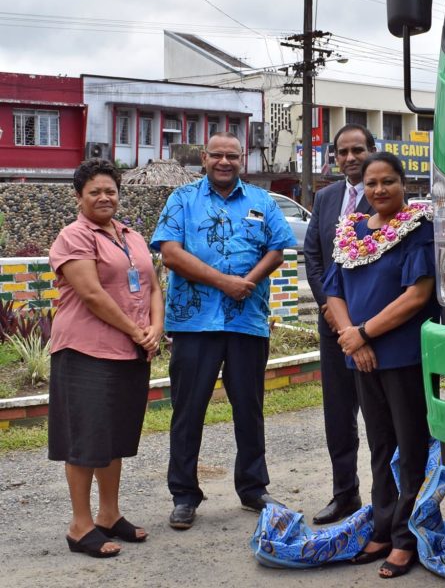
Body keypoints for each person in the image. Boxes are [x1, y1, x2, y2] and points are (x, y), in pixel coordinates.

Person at [150, 132, 294, 531]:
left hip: (247, 321)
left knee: (249, 408)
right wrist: (224, 282)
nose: (225, 161)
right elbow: (171, 253)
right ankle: (184, 494)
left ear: (241, 158)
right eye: (218, 155)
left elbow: (278, 248)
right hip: (195, 323)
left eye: (233, 155)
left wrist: (246, 280)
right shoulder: (182, 199)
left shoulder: (261, 201)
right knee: (188, 409)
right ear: (204, 157)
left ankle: (253, 488)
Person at [324, 152, 440, 579]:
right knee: (380, 447)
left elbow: (417, 295)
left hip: (403, 355)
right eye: (371, 183)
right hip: (362, 356)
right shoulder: (351, 230)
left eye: (388, 181)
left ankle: (408, 536)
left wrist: (365, 333)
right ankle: (383, 527)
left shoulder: (417, 229)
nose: (379, 190)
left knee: (410, 447)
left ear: (403, 183)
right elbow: (333, 290)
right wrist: (352, 340)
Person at [48, 158, 163, 558]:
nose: (103, 197)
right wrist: (136, 331)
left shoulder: (131, 235)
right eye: (94, 191)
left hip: (129, 352)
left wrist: (155, 328)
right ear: (79, 197)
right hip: (85, 352)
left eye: (110, 190)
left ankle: (109, 514)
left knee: (114, 437)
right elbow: (93, 294)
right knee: (86, 439)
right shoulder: (73, 236)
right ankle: (80, 526)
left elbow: (152, 284)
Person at [303, 123, 375, 524]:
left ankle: (392, 499)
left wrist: (360, 323)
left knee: (381, 416)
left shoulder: (386, 194)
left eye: (358, 150)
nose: (350, 158)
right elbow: (313, 256)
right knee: (338, 415)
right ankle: (344, 494)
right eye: (342, 152)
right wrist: (330, 309)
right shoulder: (326, 197)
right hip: (333, 327)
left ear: (372, 150)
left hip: (374, 329)